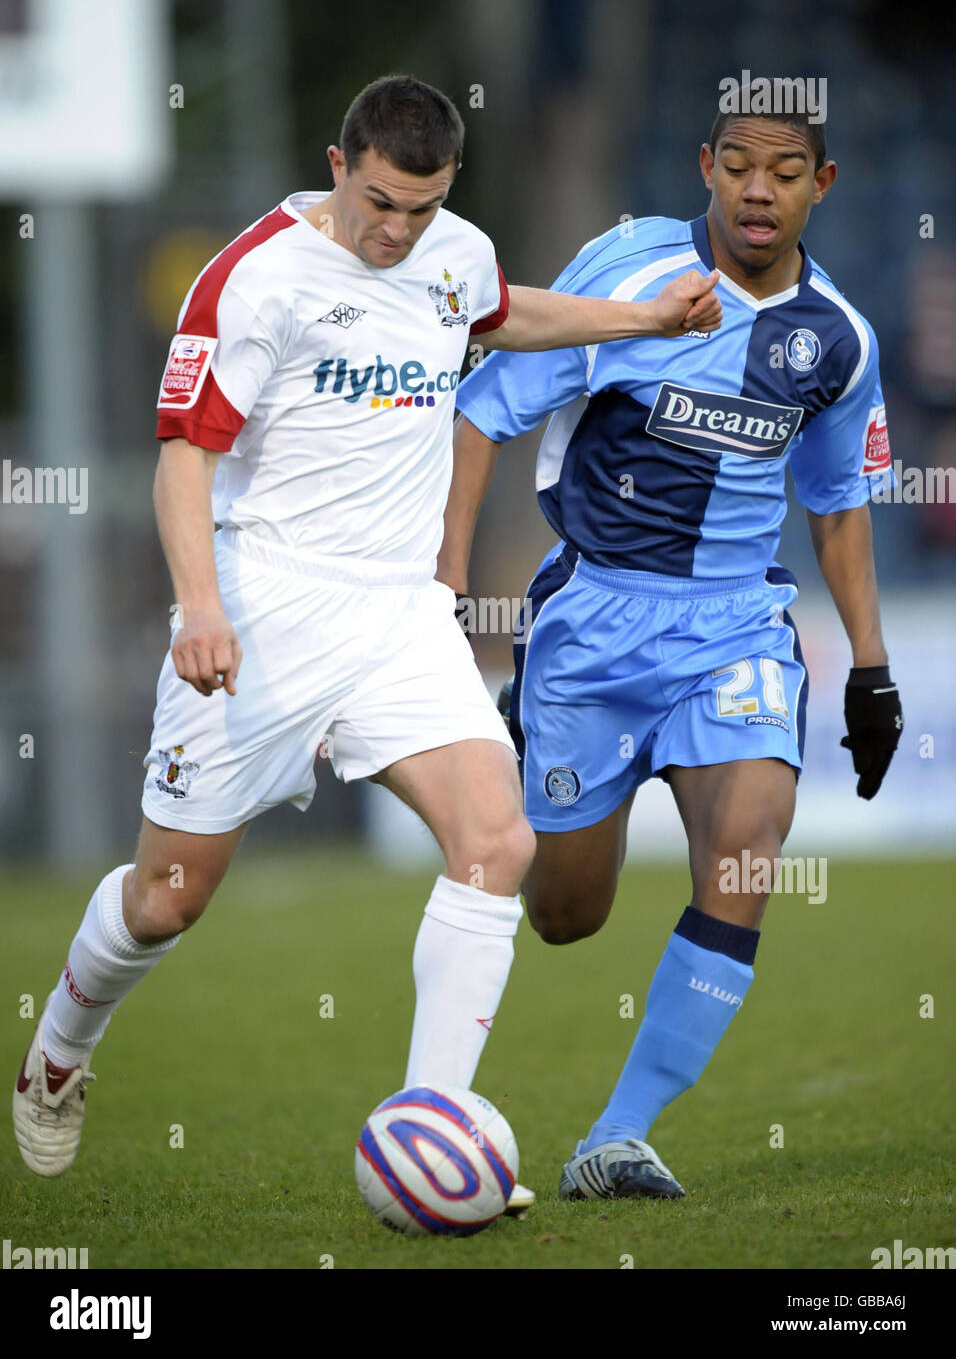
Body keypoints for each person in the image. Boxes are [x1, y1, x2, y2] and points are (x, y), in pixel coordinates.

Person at [13, 74, 722, 1212]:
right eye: (381, 202)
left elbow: (499, 312)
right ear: (337, 165)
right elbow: (184, 456)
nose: (396, 230)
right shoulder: (254, 277)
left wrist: (643, 318)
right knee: (167, 898)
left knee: (496, 835)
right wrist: (198, 605)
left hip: (397, 614)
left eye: (422, 206)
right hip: (264, 608)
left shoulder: (452, 250)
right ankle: (56, 1051)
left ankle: (427, 1135)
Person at [443, 98, 904, 1200]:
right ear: (703, 166)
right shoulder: (627, 268)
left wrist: (872, 668)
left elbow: (837, 503)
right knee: (564, 913)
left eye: (782, 172)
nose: (756, 190)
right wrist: (444, 589)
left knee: (748, 848)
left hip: (733, 625)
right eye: (736, 166)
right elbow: (483, 411)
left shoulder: (835, 337)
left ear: (819, 185)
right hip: (592, 621)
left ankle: (618, 1134)